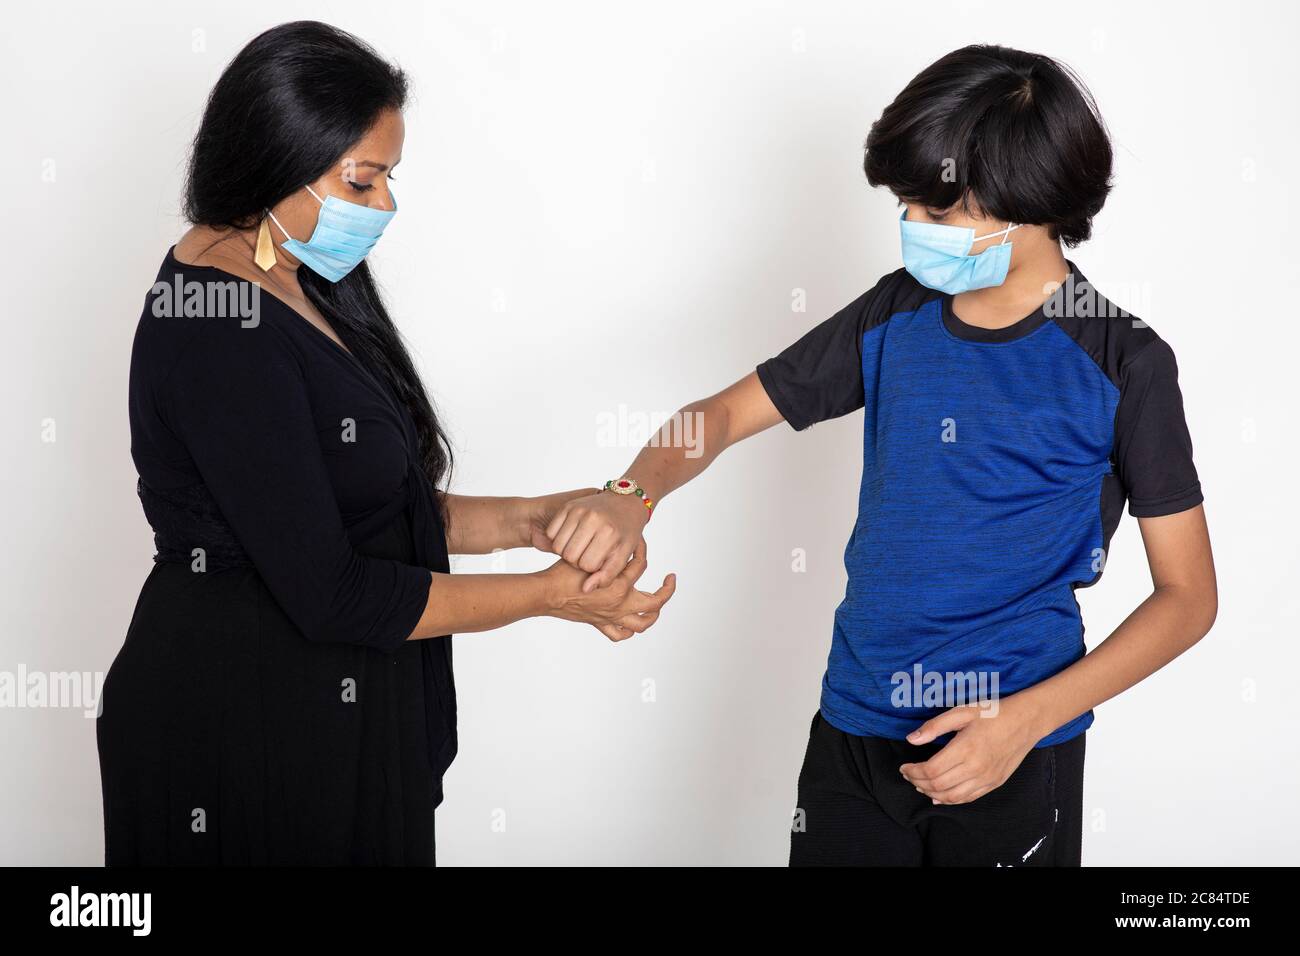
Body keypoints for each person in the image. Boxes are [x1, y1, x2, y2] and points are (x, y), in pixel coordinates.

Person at [542, 44, 1217, 866]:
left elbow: (1188, 598)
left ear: (1033, 199)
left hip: (1009, 747)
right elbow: (718, 415)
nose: (912, 233)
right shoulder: (896, 314)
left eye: (940, 214)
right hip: (852, 733)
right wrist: (632, 492)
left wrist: (1026, 723)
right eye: (905, 207)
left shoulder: (1123, 360)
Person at [97, 21, 675, 866]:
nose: (385, 206)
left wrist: (533, 518)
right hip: (241, 731)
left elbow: (370, 507)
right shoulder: (216, 328)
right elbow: (333, 590)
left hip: (338, 712)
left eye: (388, 180)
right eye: (361, 182)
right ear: (273, 161)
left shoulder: (298, 275)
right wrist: (552, 595)